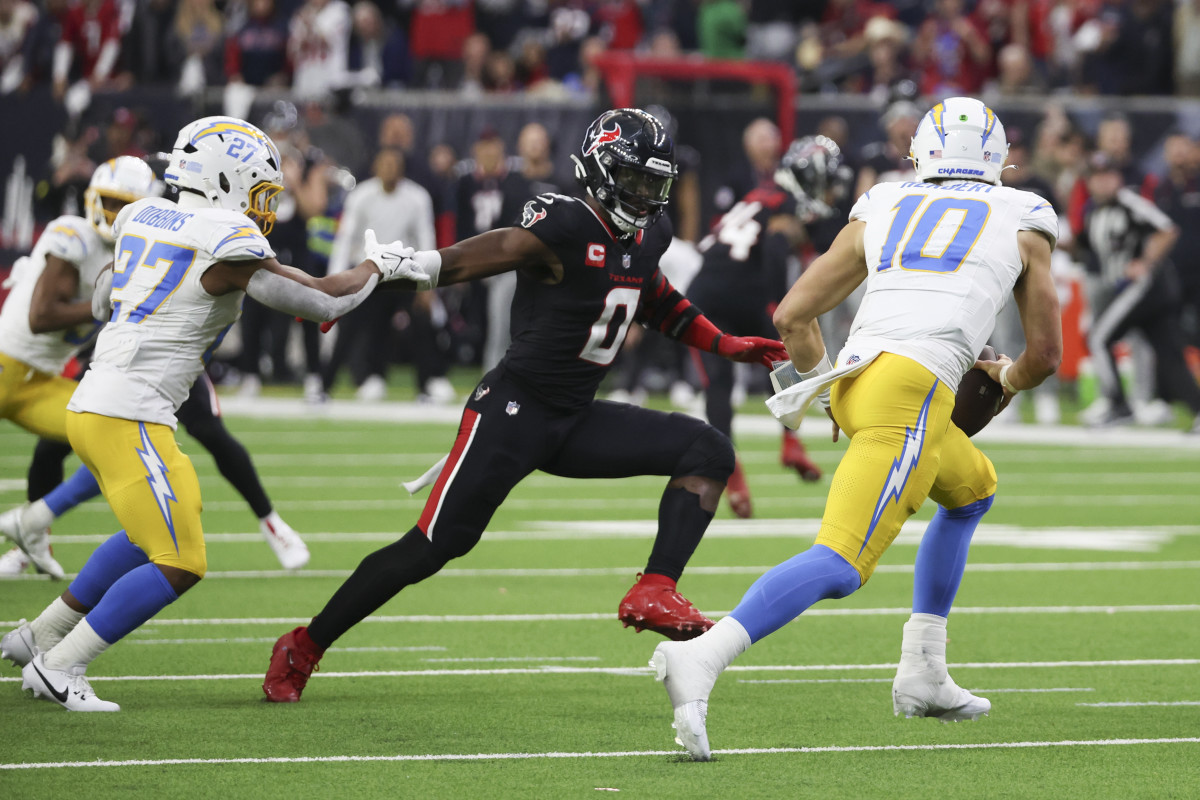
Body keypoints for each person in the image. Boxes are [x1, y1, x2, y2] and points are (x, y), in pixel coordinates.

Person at [261, 108, 789, 704]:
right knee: (432, 547)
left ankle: (655, 587)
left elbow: (653, 296)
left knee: (708, 451)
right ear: (599, 171)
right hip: (513, 412)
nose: (645, 196)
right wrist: (376, 278)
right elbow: (471, 257)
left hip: (576, 417)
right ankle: (304, 644)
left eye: (653, 184)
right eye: (634, 180)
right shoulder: (564, 222)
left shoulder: (648, 236)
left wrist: (725, 344)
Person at [650, 97, 1062, 760]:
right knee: (842, 561)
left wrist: (831, 403)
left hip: (857, 376)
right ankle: (703, 654)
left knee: (972, 489)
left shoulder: (885, 201)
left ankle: (924, 668)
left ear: (920, 154)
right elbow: (1044, 355)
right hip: (914, 387)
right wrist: (1006, 384)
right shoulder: (1023, 215)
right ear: (998, 159)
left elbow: (791, 317)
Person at [1, 116, 423, 711]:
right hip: (132, 413)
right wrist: (381, 266)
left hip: (94, 403)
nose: (263, 201)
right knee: (181, 560)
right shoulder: (226, 237)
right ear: (225, 179)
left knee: (155, 530)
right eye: (257, 186)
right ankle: (62, 664)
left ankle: (39, 635)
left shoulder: (143, 215)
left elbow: (100, 298)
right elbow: (325, 298)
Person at [0, 157, 308, 576]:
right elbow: (43, 316)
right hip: (85, 359)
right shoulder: (73, 235)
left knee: (185, 434)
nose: (111, 213)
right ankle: (30, 535)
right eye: (107, 201)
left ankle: (271, 521)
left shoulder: (160, 232)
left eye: (120, 203)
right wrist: (115, 303)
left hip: (162, 353)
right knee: (84, 440)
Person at [689, 136, 842, 518]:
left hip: (704, 294)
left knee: (719, 387)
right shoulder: (786, 204)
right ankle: (791, 441)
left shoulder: (759, 194)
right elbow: (775, 246)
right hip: (744, 293)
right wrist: (777, 304)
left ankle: (734, 472)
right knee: (783, 360)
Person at [1076, 153, 1200, 430]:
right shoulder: (1093, 211)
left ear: (1118, 179)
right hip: (1139, 290)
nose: (1103, 182)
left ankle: (1119, 406)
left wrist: (1144, 262)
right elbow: (1086, 247)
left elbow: (1167, 229)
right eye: (1096, 177)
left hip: (1145, 286)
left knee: (1098, 337)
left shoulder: (1128, 202)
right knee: (1169, 353)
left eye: (1108, 175)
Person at [322, 146, 441, 401]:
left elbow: (426, 240)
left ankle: (426, 386)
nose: (389, 169)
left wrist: (428, 286)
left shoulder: (418, 197)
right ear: (376, 167)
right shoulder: (361, 196)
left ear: (402, 169)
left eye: (394, 165)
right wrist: (335, 280)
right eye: (384, 164)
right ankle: (324, 387)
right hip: (368, 274)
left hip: (405, 274)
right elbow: (346, 240)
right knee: (349, 329)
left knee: (421, 324)